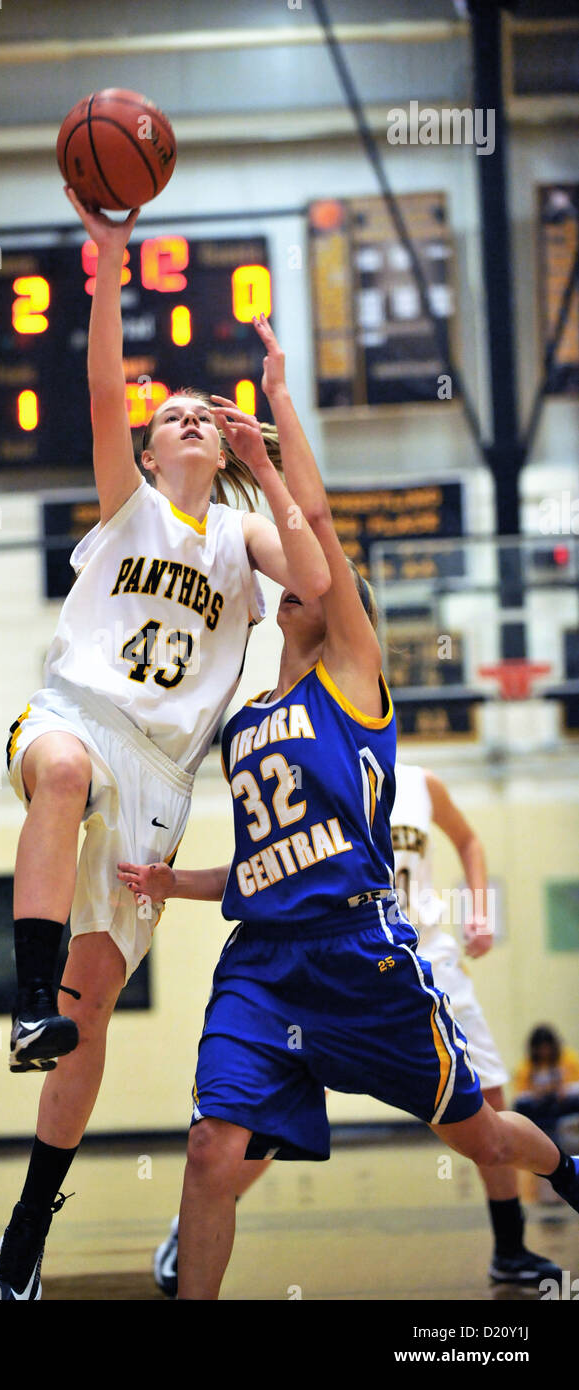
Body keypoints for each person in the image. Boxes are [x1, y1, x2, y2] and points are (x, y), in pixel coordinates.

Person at [117, 314, 579, 1300]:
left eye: (301, 586)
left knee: (484, 1129)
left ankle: (571, 1175)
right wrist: (169, 881)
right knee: (210, 1146)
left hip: (361, 952)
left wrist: (273, 420)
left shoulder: (353, 678)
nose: (287, 586)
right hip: (266, 964)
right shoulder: (248, 718)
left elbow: (316, 533)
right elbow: (252, 868)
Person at [0, 189, 330, 1300]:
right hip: (77, 716)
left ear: (222, 441)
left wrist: (269, 437)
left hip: (167, 777)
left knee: (89, 1023)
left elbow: (318, 581)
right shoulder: (125, 500)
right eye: (168, 409)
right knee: (66, 771)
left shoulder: (239, 532)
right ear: (143, 440)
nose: (184, 414)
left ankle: (25, 1234)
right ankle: (27, 991)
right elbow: (99, 383)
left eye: (200, 409)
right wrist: (109, 255)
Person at [147, 761, 562, 1294]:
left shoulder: (420, 781)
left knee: (490, 1099)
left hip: (422, 952)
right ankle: (190, 1230)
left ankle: (510, 1248)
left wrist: (478, 911)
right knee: (272, 1116)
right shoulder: (322, 772)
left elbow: (470, 841)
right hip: (346, 956)